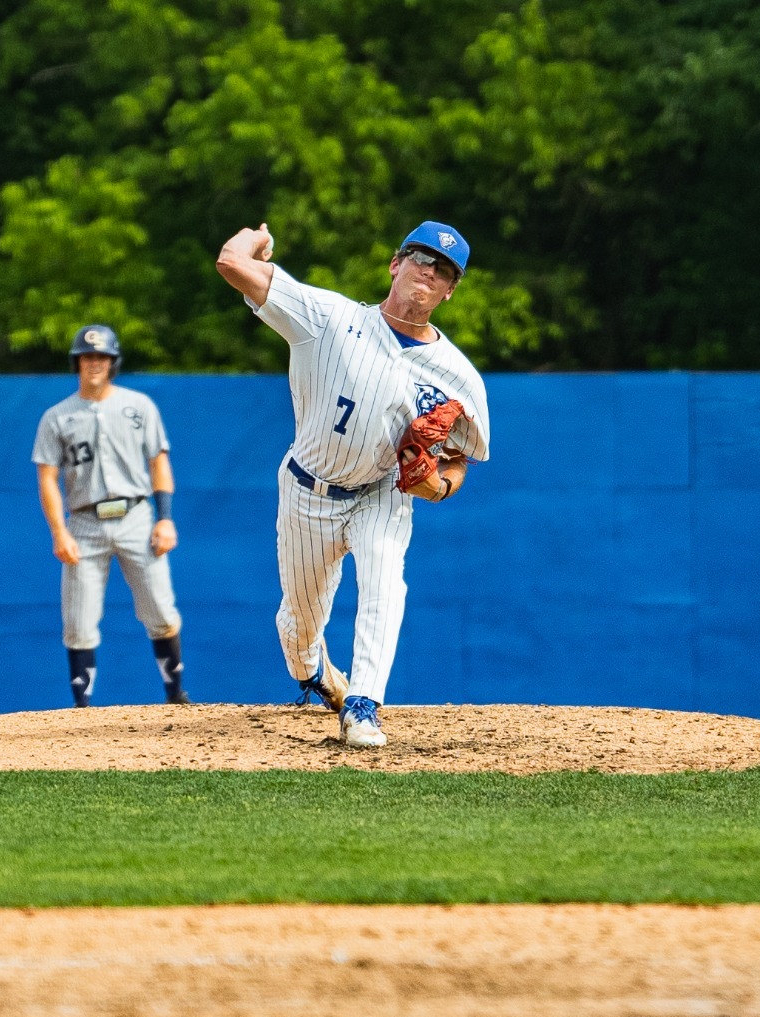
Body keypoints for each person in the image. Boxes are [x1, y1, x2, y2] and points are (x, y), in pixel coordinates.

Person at [215, 220, 491, 748]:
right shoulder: (327, 317)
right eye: (421, 258)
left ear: (450, 290)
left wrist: (440, 486)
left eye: (443, 270)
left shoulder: (458, 375)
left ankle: (363, 707)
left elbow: (461, 457)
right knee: (301, 623)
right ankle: (315, 670)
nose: (429, 272)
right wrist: (257, 239)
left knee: (386, 580)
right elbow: (231, 262)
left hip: (382, 492)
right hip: (307, 490)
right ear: (395, 263)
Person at [33, 324, 191, 707]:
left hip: (136, 515)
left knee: (160, 609)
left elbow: (159, 463)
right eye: (87, 356)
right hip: (84, 522)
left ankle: (175, 694)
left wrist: (165, 518)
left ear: (113, 362)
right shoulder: (57, 416)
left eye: (102, 356)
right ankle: (82, 708)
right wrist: (59, 532)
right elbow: (47, 478)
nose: (94, 363)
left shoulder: (139, 406)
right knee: (79, 620)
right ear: (77, 362)